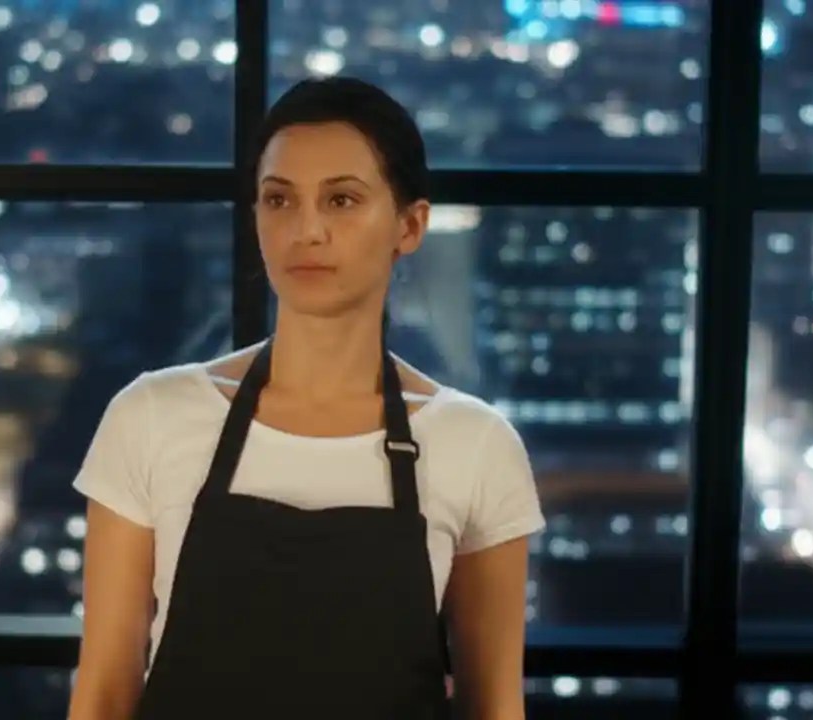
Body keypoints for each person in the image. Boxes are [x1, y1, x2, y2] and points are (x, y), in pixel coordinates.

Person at [67, 76, 546, 719]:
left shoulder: (476, 445)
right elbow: (102, 695)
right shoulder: (150, 415)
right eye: (279, 200)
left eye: (342, 200)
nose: (307, 230)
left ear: (410, 225)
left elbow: (494, 708)